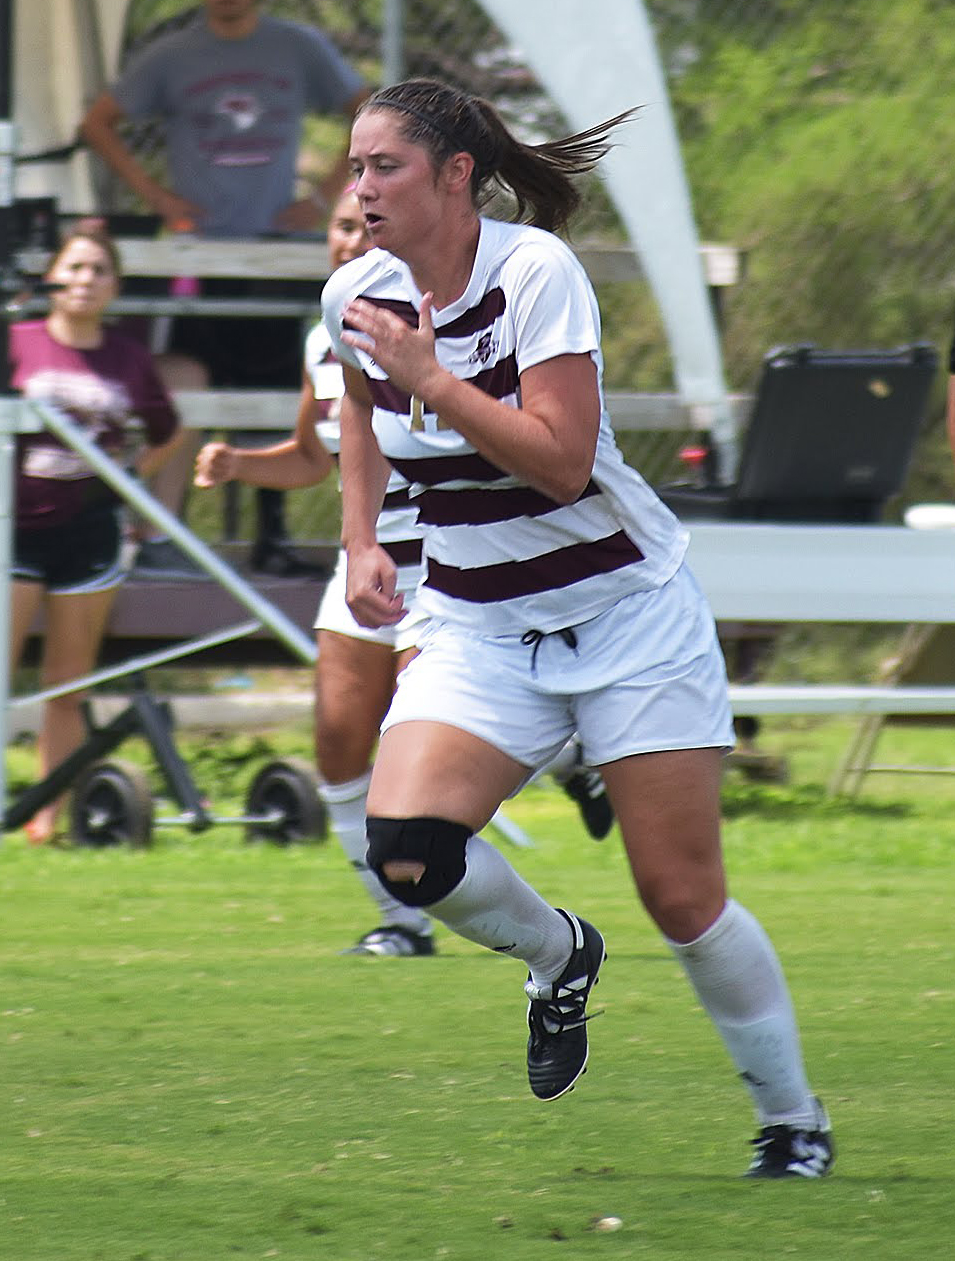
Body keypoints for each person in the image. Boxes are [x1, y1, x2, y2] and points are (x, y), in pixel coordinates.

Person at [326, 77, 831, 1177]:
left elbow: (559, 463)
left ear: (456, 175)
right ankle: (560, 956)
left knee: (682, 897)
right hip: (478, 626)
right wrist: (361, 539)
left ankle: (792, 1120)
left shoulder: (533, 273)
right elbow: (358, 412)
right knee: (405, 852)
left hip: (624, 617)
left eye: (385, 166)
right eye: (355, 167)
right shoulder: (355, 294)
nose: (360, 189)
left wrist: (433, 378)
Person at [195, 190, 613, 957]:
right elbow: (314, 456)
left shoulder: (455, 318)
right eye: (342, 225)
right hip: (368, 563)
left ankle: (563, 765)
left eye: (367, 224)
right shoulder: (326, 335)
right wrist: (239, 464)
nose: (354, 238)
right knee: (337, 743)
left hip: (448, 559)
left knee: (429, 735)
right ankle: (403, 923)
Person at [80, 0, 369, 577]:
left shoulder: (297, 46)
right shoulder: (173, 55)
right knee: (192, 384)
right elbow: (98, 122)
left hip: (274, 251)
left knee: (279, 387)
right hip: (201, 256)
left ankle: (274, 537)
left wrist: (325, 196)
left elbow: (368, 107)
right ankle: (161, 536)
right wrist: (159, 198)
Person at [0, 219, 180, 847]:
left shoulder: (129, 358)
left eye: (99, 270)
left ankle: (47, 820)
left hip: (90, 535)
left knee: (66, 688)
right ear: (52, 278)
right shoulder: (15, 341)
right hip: (11, 531)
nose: (86, 279)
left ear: (115, 286)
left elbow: (170, 431)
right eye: (75, 267)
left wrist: (126, 478)